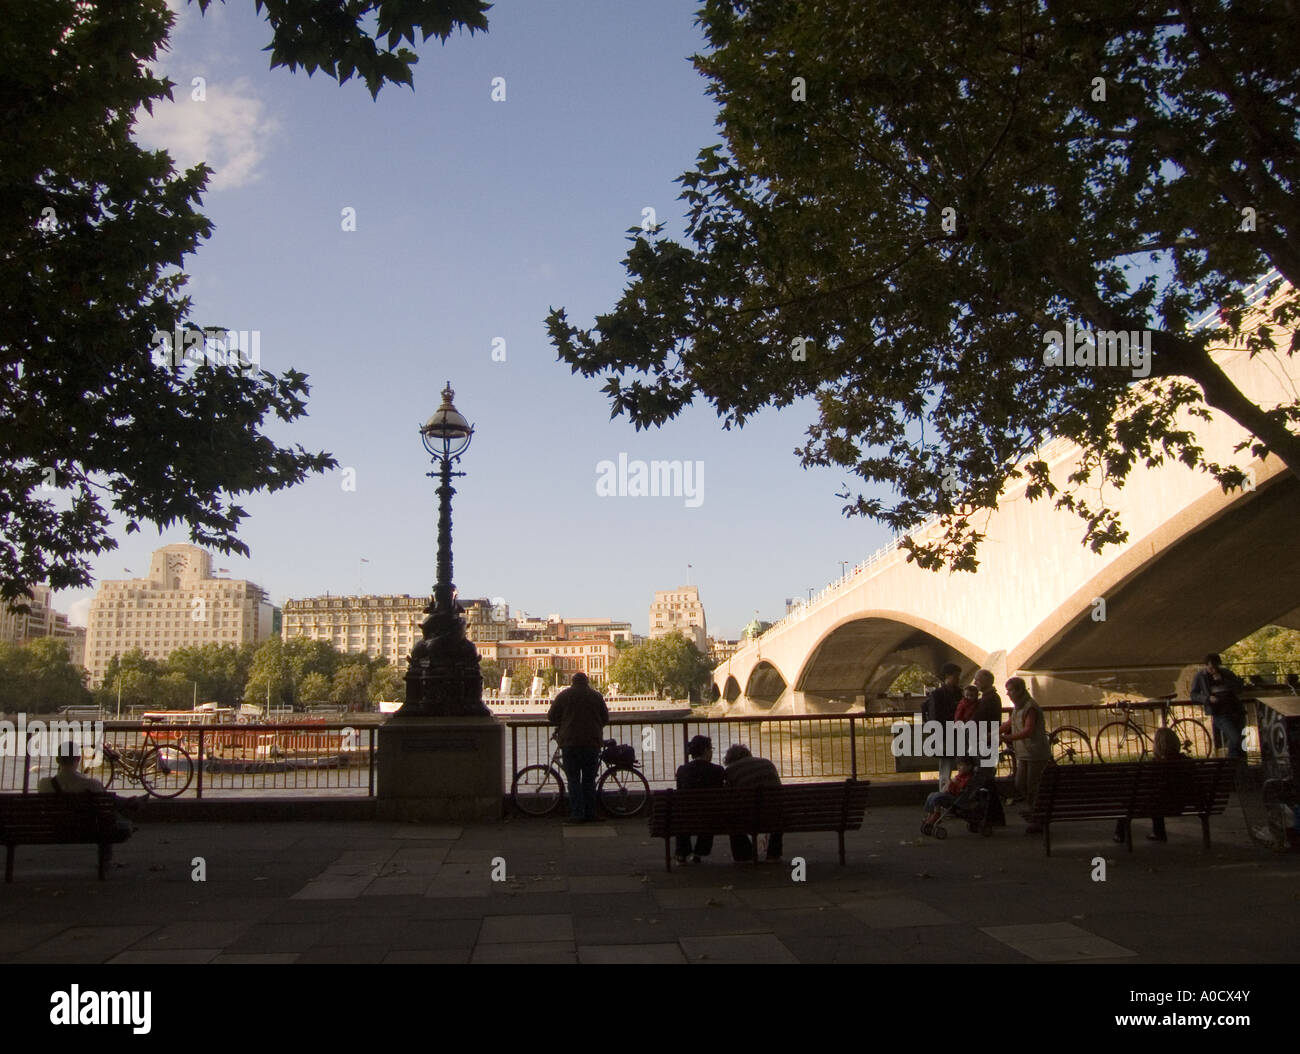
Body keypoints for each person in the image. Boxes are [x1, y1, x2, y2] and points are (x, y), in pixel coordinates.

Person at [37, 742, 135, 842]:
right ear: (78, 759)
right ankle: (131, 802)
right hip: (87, 831)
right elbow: (106, 808)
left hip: (55, 830)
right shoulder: (92, 784)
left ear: (57, 760)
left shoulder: (43, 784)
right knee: (115, 813)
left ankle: (130, 802)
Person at [546, 672, 609, 823]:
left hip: (570, 743)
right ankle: (590, 813)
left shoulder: (564, 695)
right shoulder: (596, 696)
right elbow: (605, 718)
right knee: (589, 779)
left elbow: (551, 716)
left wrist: (563, 723)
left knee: (573, 779)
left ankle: (577, 814)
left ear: (572, 682)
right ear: (587, 682)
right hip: (591, 743)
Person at [1114, 727, 1189, 843]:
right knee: (1159, 796)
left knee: (1135, 799)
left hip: (1158, 804)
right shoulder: (1188, 763)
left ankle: (1119, 833)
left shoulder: (1153, 767)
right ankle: (1158, 832)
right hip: (1182, 803)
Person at [1001, 677, 1053, 832]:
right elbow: (1009, 724)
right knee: (1020, 783)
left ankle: (1038, 817)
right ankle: (1034, 811)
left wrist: (1008, 737)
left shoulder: (1030, 707)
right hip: (1023, 753)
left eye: (1010, 690)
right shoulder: (1018, 707)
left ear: (1018, 690)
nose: (1008, 693)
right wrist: (993, 734)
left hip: (1035, 752)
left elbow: (1028, 730)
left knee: (1033, 785)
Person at [722, 743, 783, 861]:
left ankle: (743, 855)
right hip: (774, 816)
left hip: (747, 818)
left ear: (730, 759)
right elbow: (779, 792)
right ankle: (773, 854)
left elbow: (728, 799)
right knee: (776, 809)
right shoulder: (767, 764)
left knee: (732, 816)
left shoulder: (731, 770)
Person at [674, 735, 726, 863]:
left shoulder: (682, 770)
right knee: (709, 809)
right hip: (711, 818)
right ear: (705, 750)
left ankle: (682, 853)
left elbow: (680, 794)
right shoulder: (718, 770)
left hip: (687, 817)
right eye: (711, 749)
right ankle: (699, 852)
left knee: (683, 812)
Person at [1190, 653, 1246, 759]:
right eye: (1211, 668)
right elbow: (1193, 694)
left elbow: (1239, 689)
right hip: (1220, 712)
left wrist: (1223, 679)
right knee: (1235, 738)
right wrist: (1207, 698)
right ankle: (1232, 763)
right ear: (1206, 666)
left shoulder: (1226, 673)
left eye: (1216, 667)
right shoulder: (1200, 676)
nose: (1213, 670)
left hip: (1235, 709)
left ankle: (1238, 766)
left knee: (1241, 740)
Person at [923, 663, 964, 790]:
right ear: (947, 676)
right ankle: (943, 796)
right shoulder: (938, 694)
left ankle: (950, 795)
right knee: (946, 769)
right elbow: (935, 718)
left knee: (955, 767)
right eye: (955, 676)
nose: (958, 679)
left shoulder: (955, 693)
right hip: (946, 735)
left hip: (957, 735)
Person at [923, 757, 974, 826]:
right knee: (931, 795)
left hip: (956, 797)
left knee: (937, 797)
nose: (959, 767)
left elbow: (959, 790)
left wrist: (951, 784)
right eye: (958, 765)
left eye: (961, 765)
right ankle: (930, 814)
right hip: (951, 793)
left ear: (969, 767)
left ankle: (936, 814)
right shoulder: (960, 776)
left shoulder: (968, 779)